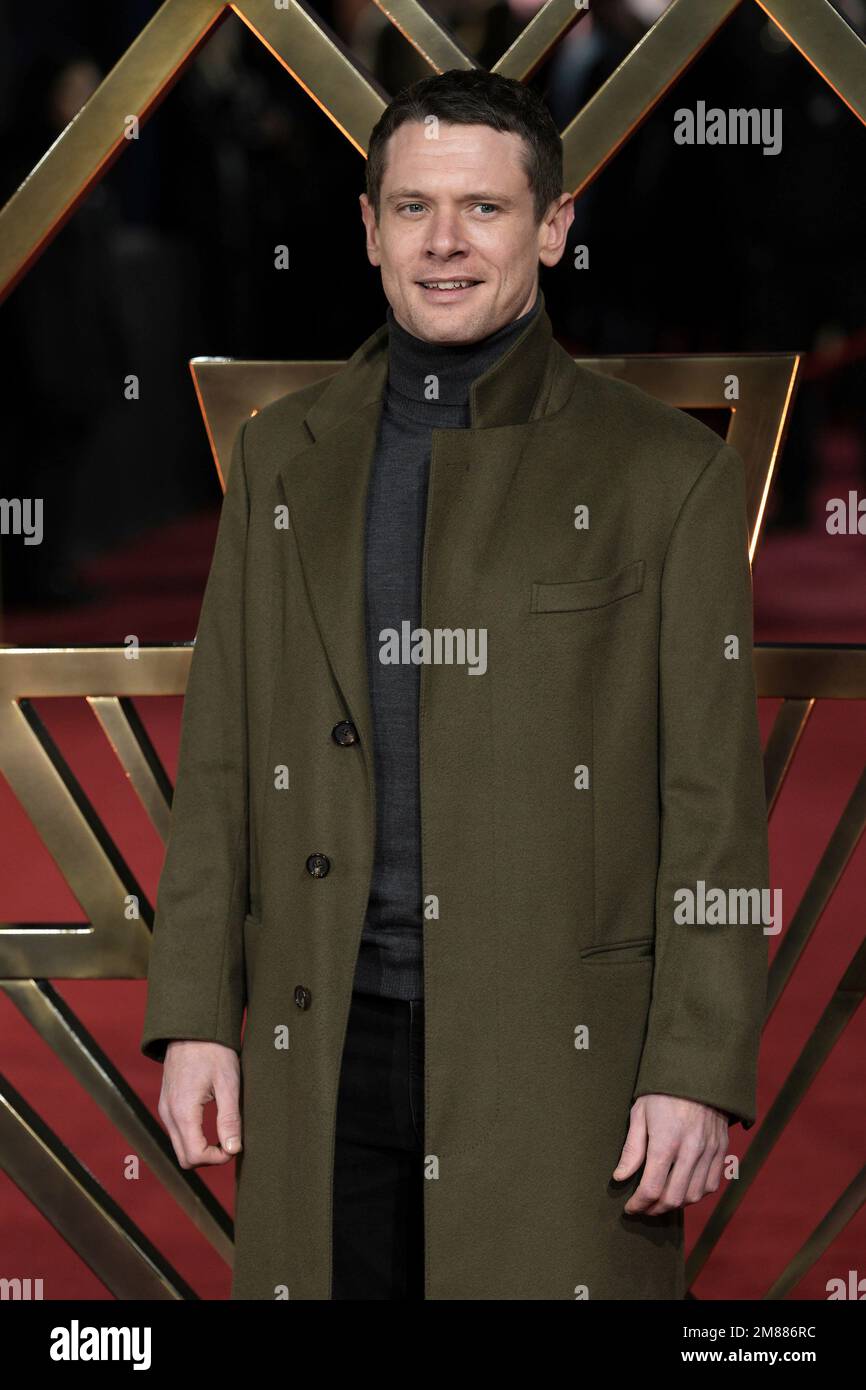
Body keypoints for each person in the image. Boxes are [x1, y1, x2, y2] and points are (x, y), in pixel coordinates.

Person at [141, 68, 770, 1301]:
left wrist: (694, 1063)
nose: (442, 244)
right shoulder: (282, 456)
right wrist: (197, 1015)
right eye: (412, 207)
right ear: (366, 227)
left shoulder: (663, 474)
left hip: (558, 1058)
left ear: (551, 227)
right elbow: (222, 759)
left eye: (482, 209)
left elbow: (711, 802)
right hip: (320, 1038)